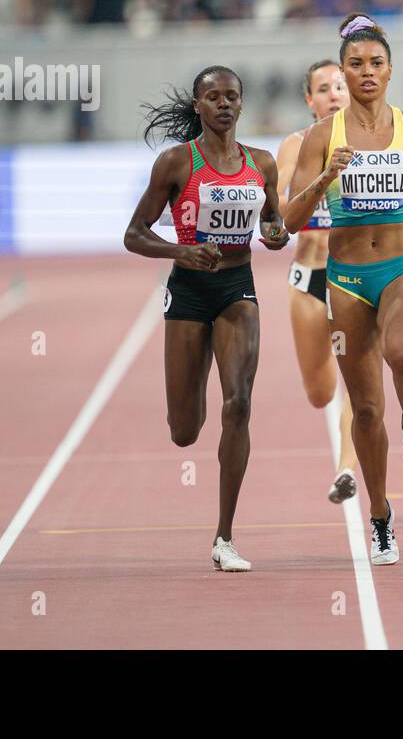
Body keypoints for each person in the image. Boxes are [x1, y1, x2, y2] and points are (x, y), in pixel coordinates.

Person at [283, 14, 403, 566]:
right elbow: (289, 218)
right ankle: (381, 519)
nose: (365, 73)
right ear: (342, 71)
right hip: (346, 280)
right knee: (362, 408)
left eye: (375, 64)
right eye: (354, 65)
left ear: (390, 70)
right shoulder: (320, 138)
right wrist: (323, 178)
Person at [124, 65, 290, 571]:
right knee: (185, 429)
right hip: (190, 292)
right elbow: (134, 233)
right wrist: (180, 251)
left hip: (238, 288)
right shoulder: (178, 162)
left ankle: (224, 537)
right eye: (213, 96)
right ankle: (186, 412)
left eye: (231, 96)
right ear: (197, 105)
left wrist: (277, 234)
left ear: (241, 105)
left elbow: (272, 221)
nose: (223, 104)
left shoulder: (261, 164)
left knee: (237, 404)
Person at [275, 60, 358, 503]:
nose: (333, 94)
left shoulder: (372, 141)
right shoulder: (297, 143)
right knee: (319, 392)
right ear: (310, 100)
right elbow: (281, 201)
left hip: (355, 278)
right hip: (309, 278)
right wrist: (324, 178)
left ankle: (346, 467)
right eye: (323, 88)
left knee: (358, 381)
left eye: (340, 86)